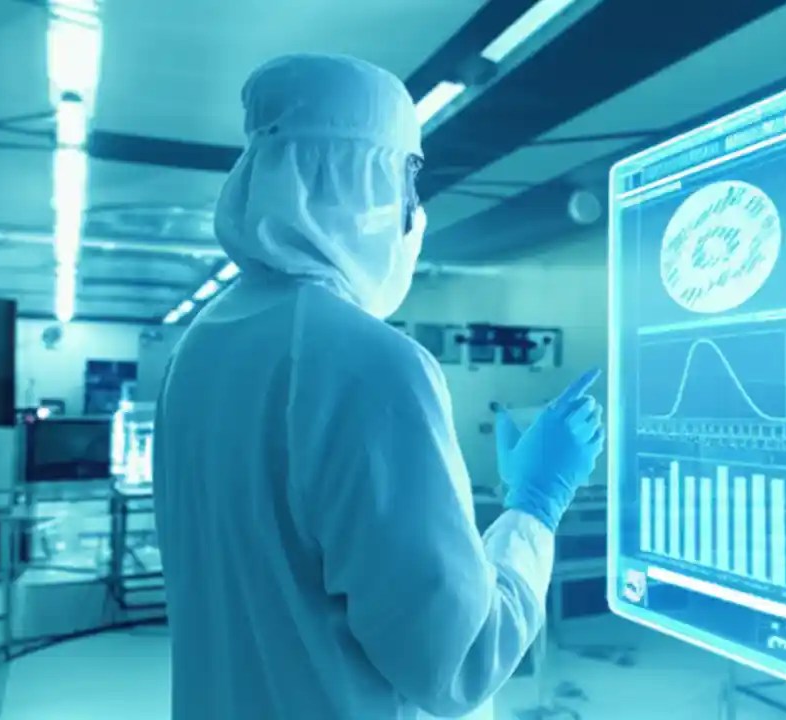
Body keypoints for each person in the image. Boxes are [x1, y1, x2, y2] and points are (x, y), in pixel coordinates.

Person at [153, 53, 605, 720]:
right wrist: (534, 506)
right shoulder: (365, 362)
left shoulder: (203, 342)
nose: (412, 214)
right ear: (358, 181)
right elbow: (455, 663)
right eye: (406, 182)